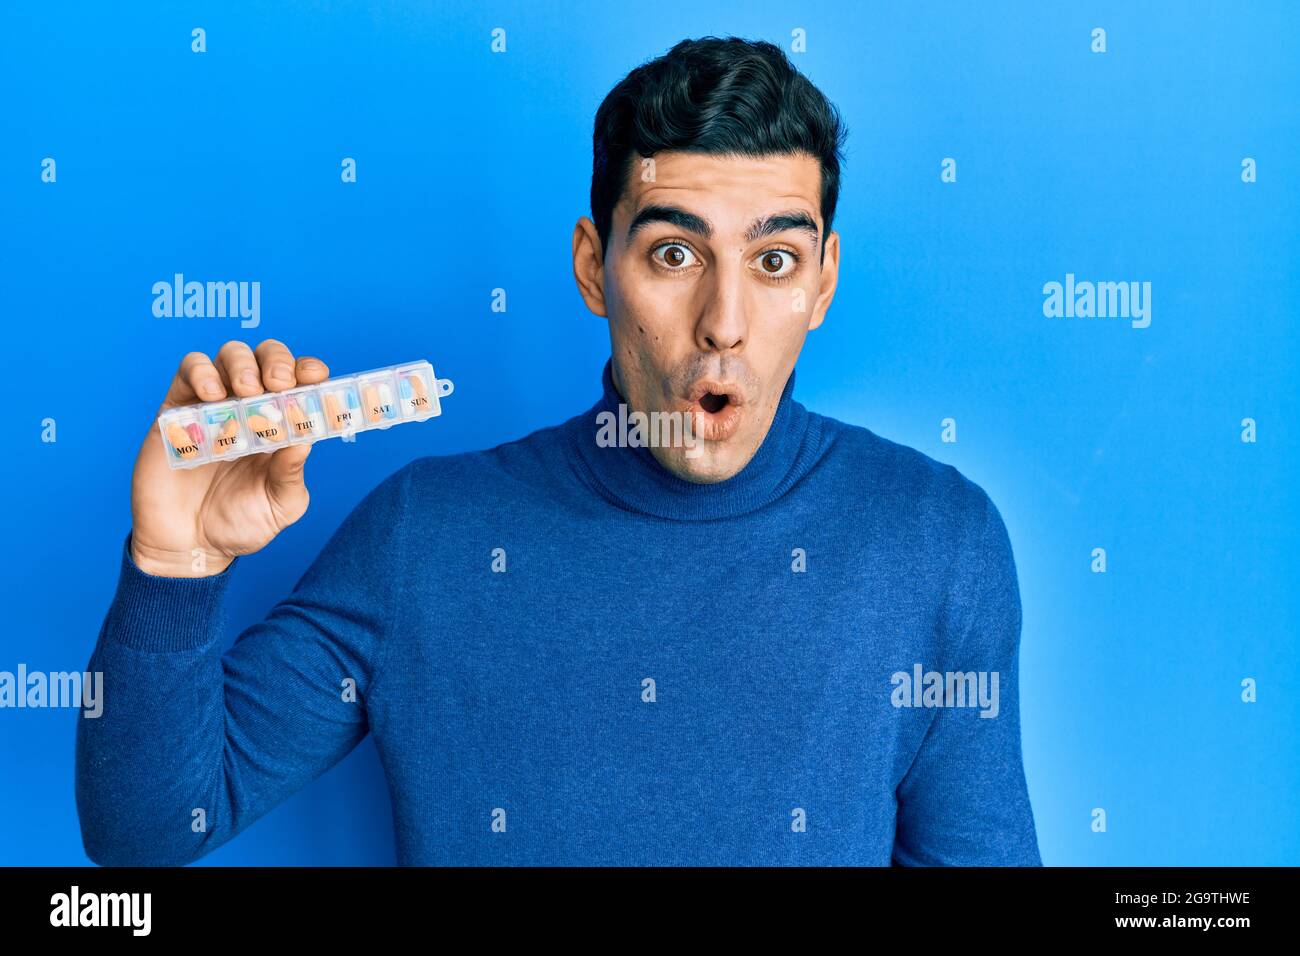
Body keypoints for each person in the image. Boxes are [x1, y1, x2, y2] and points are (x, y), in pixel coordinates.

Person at [76, 36, 1041, 866]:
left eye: (775, 261)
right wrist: (175, 562)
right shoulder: (426, 534)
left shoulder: (934, 541)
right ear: (594, 266)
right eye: (674, 253)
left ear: (823, 284)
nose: (725, 323)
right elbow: (146, 830)